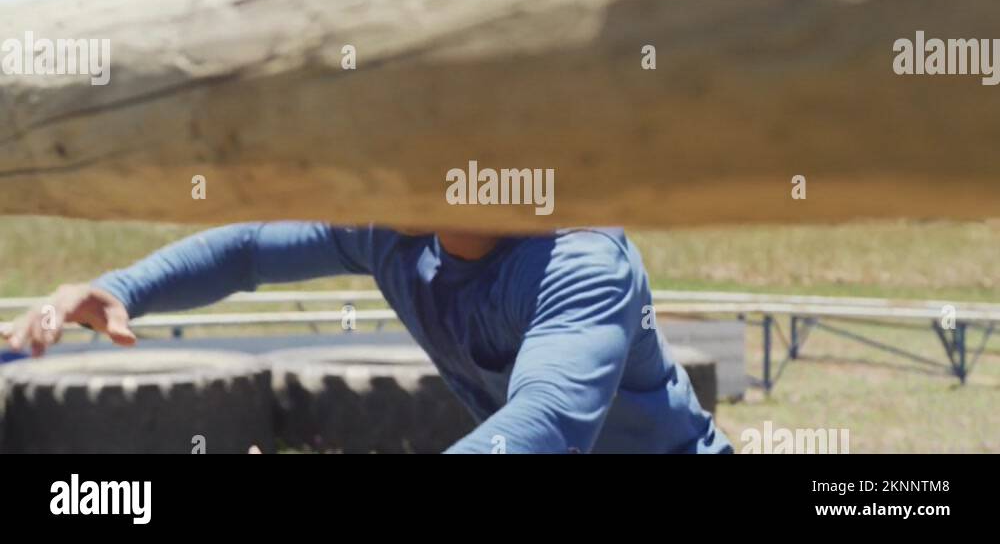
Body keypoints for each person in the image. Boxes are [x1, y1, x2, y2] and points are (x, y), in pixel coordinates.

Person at [2, 223, 731, 454]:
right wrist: (124, 287)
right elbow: (250, 249)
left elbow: (542, 423)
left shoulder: (580, 260)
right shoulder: (392, 224)